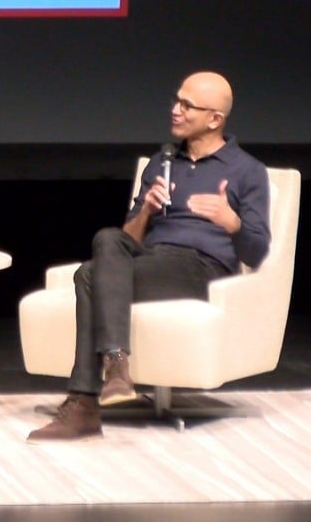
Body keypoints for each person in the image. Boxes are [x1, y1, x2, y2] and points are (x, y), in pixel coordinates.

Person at [27, 71, 271, 442]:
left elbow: (258, 251)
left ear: (215, 119)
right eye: (176, 101)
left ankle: (86, 400)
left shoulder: (247, 171)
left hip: (202, 267)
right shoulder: (162, 162)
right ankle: (114, 370)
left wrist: (230, 221)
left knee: (88, 276)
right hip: (152, 259)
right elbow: (129, 238)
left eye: (187, 105)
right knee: (107, 238)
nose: (176, 110)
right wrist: (147, 211)